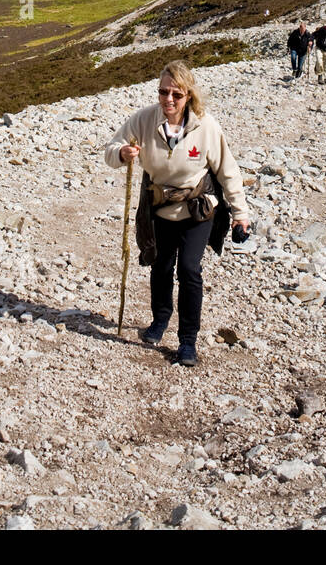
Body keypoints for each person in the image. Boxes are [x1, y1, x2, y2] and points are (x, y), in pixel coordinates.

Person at [104, 60, 250, 367]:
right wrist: (122, 153)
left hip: (197, 210)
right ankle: (159, 321)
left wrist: (240, 214)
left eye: (176, 94)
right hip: (159, 208)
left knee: (188, 269)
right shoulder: (144, 120)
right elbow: (111, 148)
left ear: (189, 96)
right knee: (160, 265)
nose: (168, 99)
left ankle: (187, 341)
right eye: (162, 92)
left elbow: (227, 170)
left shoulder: (205, 125)